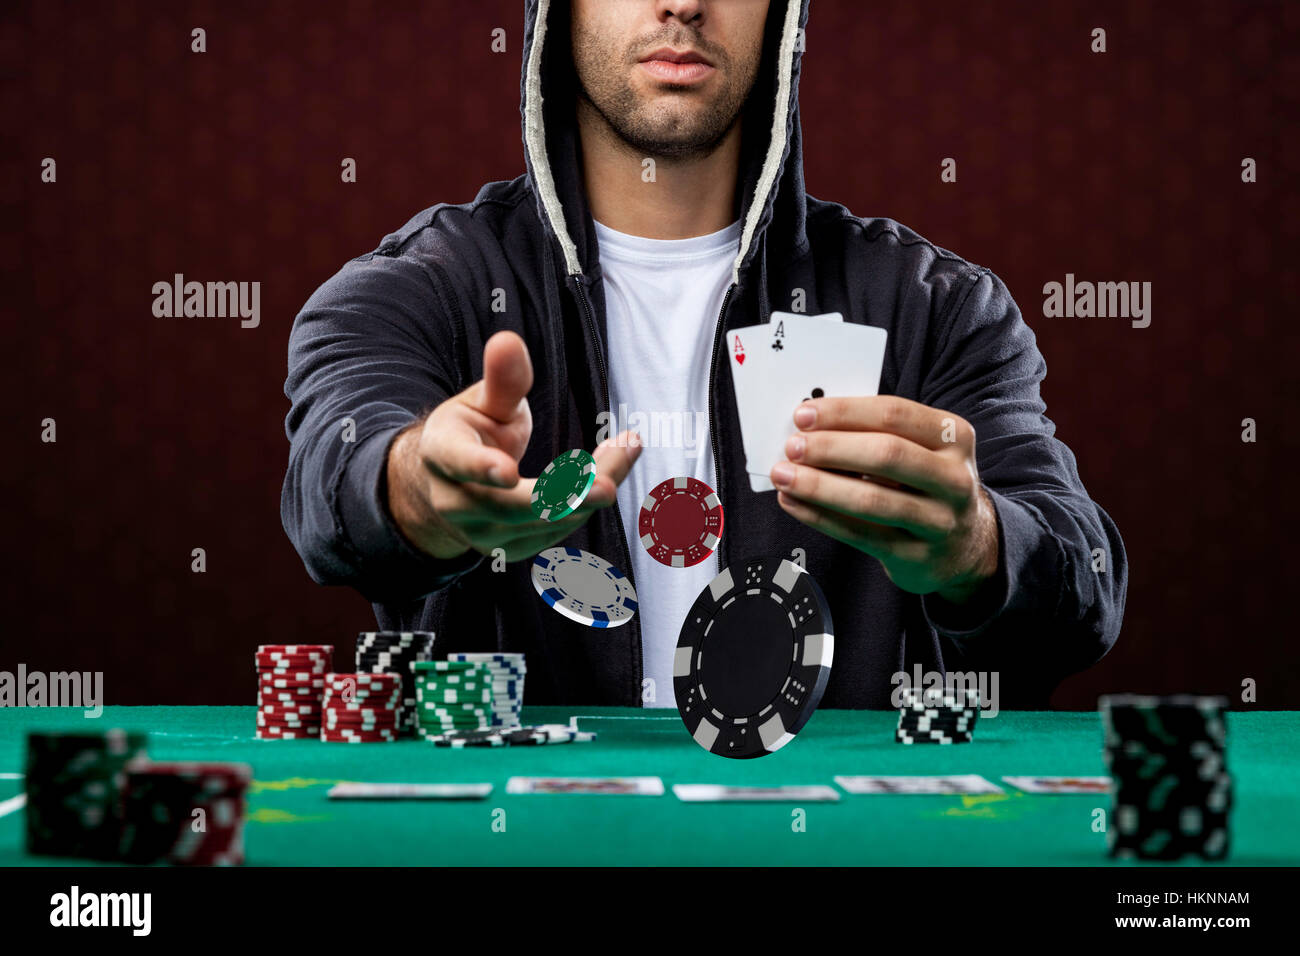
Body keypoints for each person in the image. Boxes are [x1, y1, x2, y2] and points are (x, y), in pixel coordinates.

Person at [282, 0, 1126, 709]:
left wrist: (978, 546)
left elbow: (1085, 593)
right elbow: (332, 492)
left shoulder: (932, 308)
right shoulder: (418, 290)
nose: (681, 2)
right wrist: (415, 490)